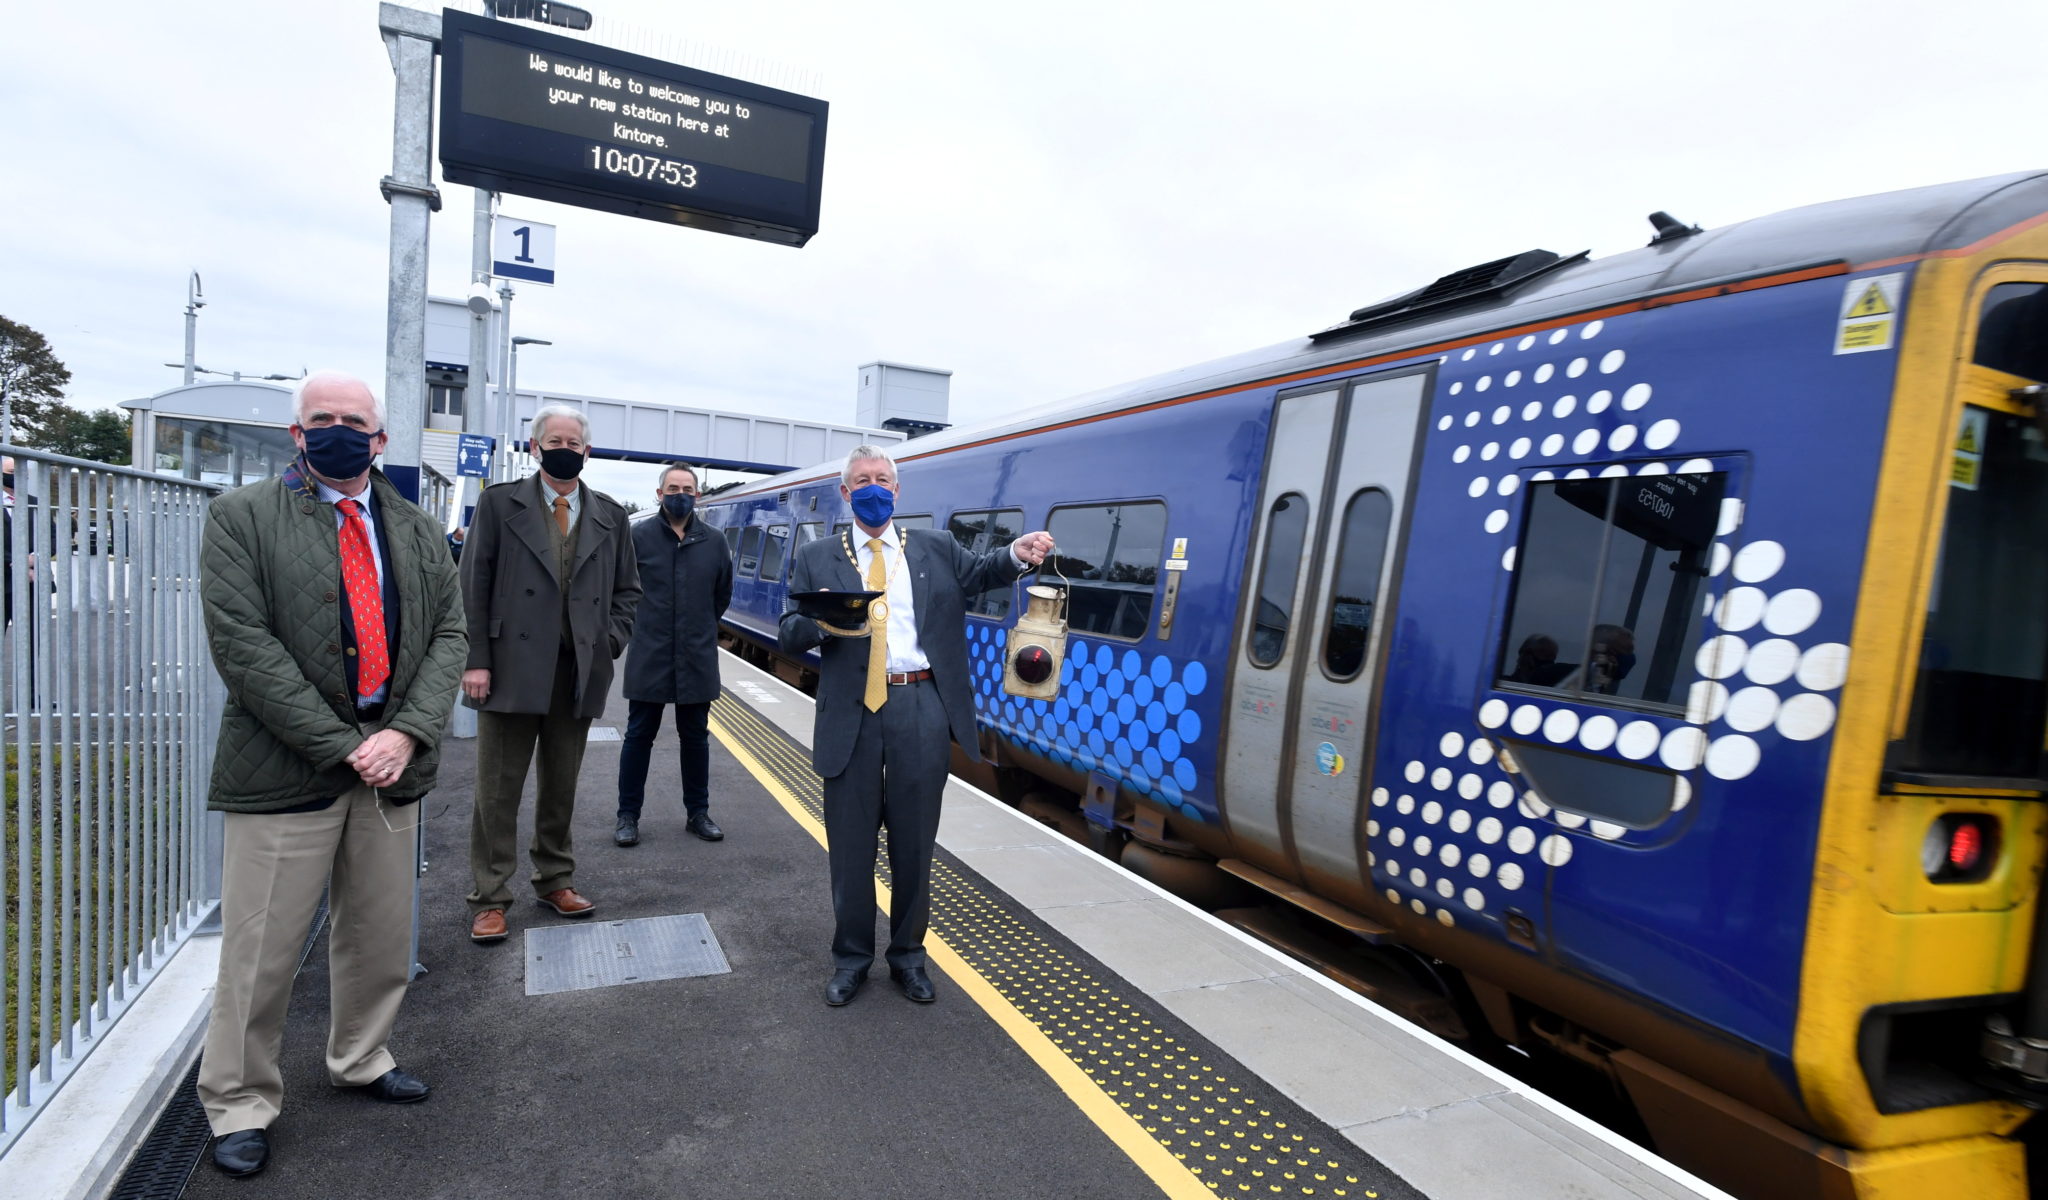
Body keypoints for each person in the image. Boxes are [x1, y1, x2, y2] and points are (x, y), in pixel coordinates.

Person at [194, 371, 467, 1178]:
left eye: (356, 421)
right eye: (324, 419)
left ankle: (363, 1056)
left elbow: (449, 636)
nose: (339, 431)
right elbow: (244, 646)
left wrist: (408, 733)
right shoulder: (240, 518)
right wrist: (346, 743)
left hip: (392, 764)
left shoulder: (416, 530)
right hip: (288, 766)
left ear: (380, 440)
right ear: (297, 433)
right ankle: (239, 1100)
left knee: (379, 935)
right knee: (261, 948)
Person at [778, 445, 1052, 1007]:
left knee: (914, 845)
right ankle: (851, 959)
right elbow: (789, 631)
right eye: (862, 480)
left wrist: (1017, 555)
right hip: (850, 711)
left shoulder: (935, 547)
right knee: (850, 848)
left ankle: (908, 957)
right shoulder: (818, 556)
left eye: (883, 479)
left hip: (920, 705)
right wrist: (822, 620)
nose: (874, 487)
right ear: (846, 492)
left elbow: (983, 575)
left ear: (897, 492)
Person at [461, 403, 640, 943]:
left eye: (574, 441)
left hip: (576, 672)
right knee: (497, 790)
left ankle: (555, 879)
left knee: (560, 786)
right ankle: (490, 897)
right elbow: (472, 585)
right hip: (510, 668)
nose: (565, 448)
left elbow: (628, 592)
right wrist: (476, 660)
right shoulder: (499, 506)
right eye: (554, 440)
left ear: (587, 451)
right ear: (535, 447)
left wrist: (609, 641)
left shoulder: (611, 515)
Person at [616, 463, 732, 847]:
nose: (679, 493)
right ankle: (627, 816)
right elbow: (623, 591)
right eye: (672, 487)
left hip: (696, 654)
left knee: (695, 738)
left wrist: (697, 627)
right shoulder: (638, 537)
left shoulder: (714, 541)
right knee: (638, 736)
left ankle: (698, 813)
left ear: (697, 495)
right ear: (659, 493)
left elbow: (722, 594)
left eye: (686, 488)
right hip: (650, 651)